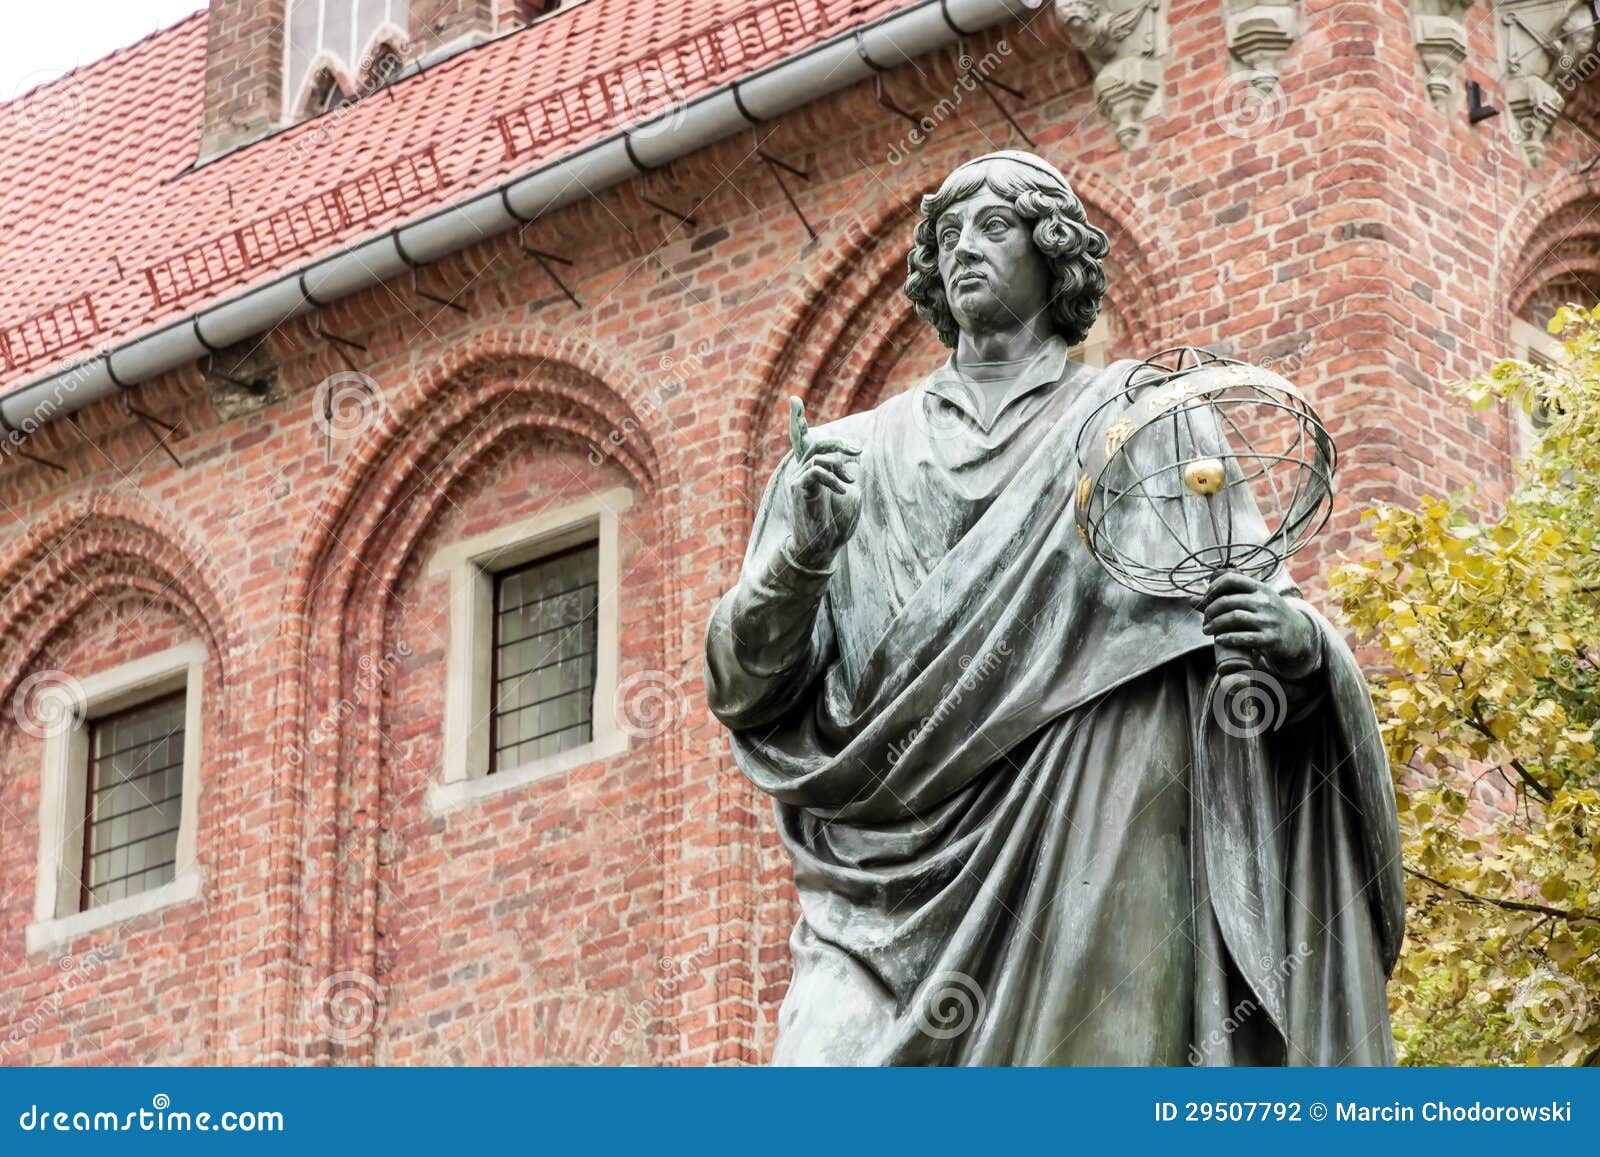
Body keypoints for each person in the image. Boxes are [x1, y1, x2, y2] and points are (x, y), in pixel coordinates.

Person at [703, 151, 1403, 1065]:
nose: (964, 248)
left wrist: (1300, 649)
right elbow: (744, 686)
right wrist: (798, 560)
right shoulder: (846, 458)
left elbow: (1258, 611)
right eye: (949, 235)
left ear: (1055, 253)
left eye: (994, 227)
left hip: (1099, 825)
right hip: (877, 881)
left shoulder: (1146, 424)